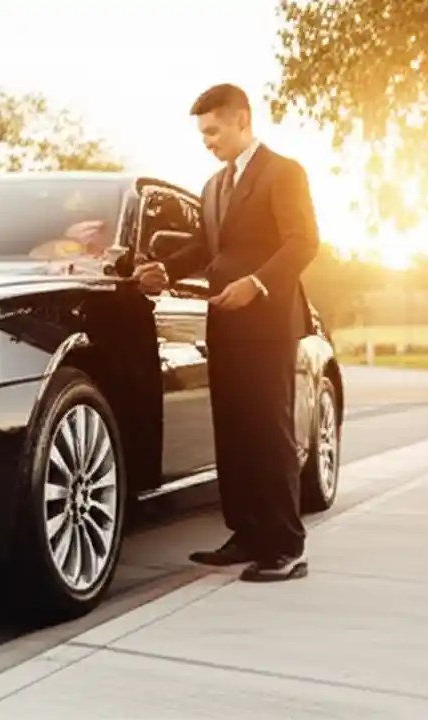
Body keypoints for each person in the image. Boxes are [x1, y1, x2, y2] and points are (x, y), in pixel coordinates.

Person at [134, 83, 320, 582]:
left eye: (213, 131)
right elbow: (206, 247)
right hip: (224, 322)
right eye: (202, 133)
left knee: (269, 429)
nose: (207, 141)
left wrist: (257, 284)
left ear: (242, 119)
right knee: (233, 430)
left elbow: (304, 243)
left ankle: (285, 547)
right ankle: (247, 532)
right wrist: (163, 271)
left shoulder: (285, 172)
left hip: (268, 322)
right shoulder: (214, 185)